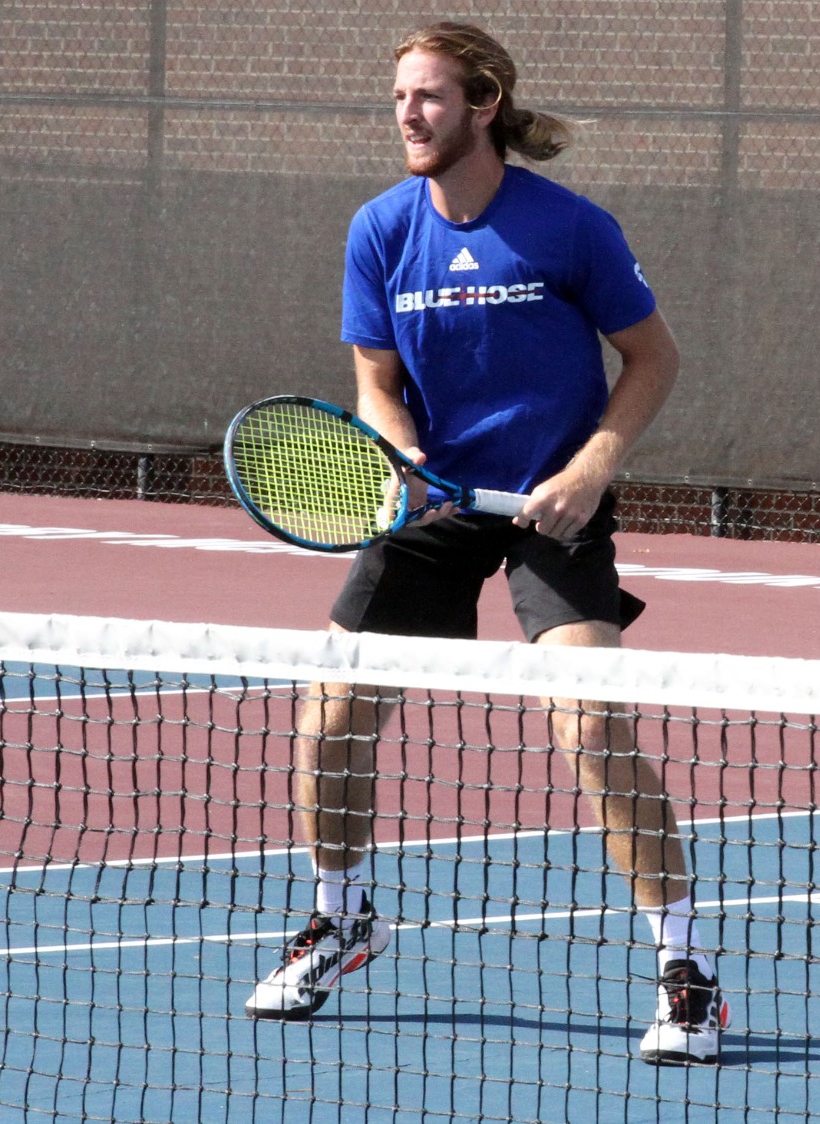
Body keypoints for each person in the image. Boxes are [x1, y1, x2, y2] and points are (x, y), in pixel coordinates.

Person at [241, 22, 727, 1067]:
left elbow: (651, 357)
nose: (408, 115)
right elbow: (376, 379)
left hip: (552, 502)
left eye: (428, 97)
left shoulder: (570, 228)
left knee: (592, 726)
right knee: (328, 718)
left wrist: (589, 470)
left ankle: (684, 971)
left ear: (483, 104)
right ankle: (340, 917)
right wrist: (400, 456)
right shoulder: (379, 230)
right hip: (433, 507)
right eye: (399, 98)